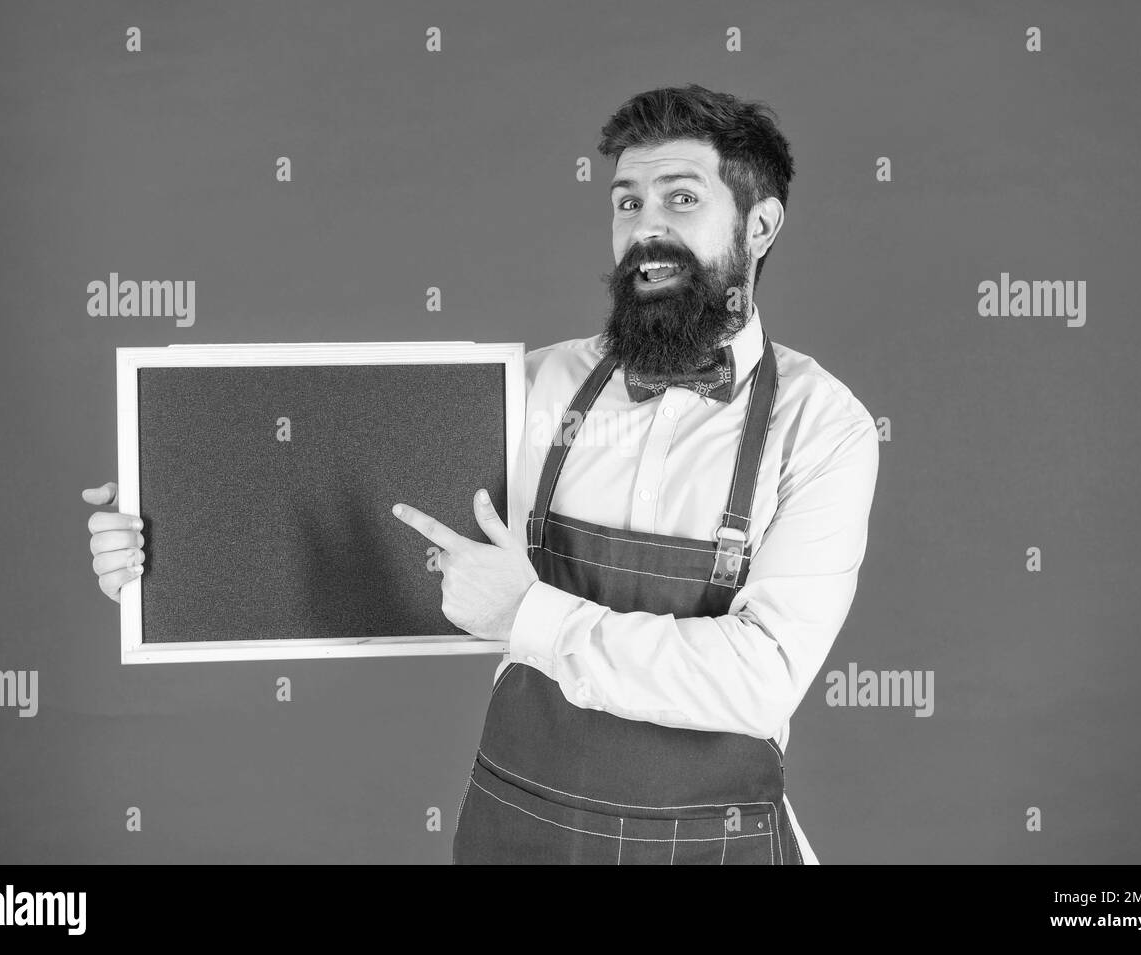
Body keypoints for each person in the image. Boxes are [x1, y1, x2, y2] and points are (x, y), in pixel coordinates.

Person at [84, 84, 879, 865]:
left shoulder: (820, 427)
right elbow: (335, 496)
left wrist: (531, 612)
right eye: (627, 203)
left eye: (680, 199)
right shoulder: (536, 388)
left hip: (715, 844)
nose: (646, 229)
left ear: (761, 223)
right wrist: (166, 538)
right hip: (517, 829)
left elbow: (759, 680)